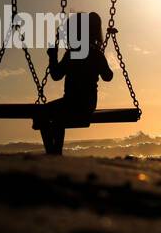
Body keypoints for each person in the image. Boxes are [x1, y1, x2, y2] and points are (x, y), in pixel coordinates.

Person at [40, 11, 113, 155]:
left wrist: (52, 57)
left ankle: (53, 153)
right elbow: (108, 76)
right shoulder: (95, 53)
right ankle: (54, 153)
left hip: (71, 103)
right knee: (54, 116)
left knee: (44, 114)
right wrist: (101, 61)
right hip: (88, 104)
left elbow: (56, 75)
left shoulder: (72, 54)